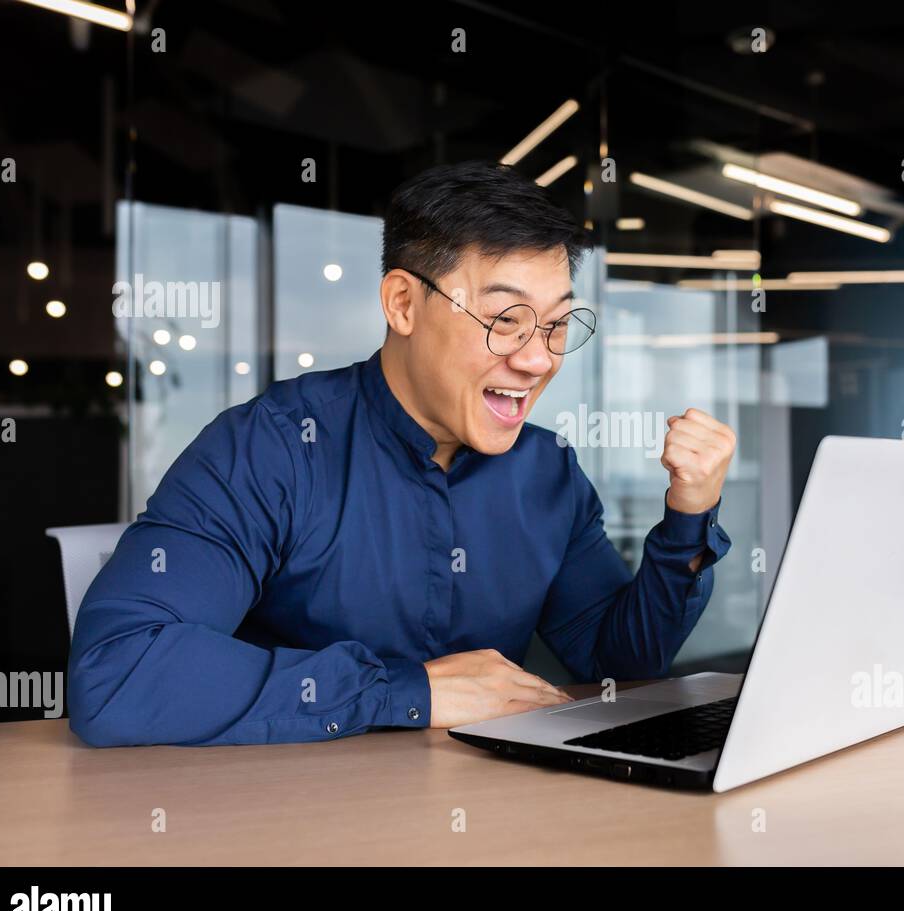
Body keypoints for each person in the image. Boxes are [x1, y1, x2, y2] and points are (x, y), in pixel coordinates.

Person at [68, 160, 734, 746]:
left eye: (558, 324)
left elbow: (615, 666)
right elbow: (118, 671)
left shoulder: (545, 470)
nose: (538, 359)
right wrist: (408, 692)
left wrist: (689, 516)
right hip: (288, 823)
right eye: (506, 321)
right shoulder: (271, 449)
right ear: (403, 303)